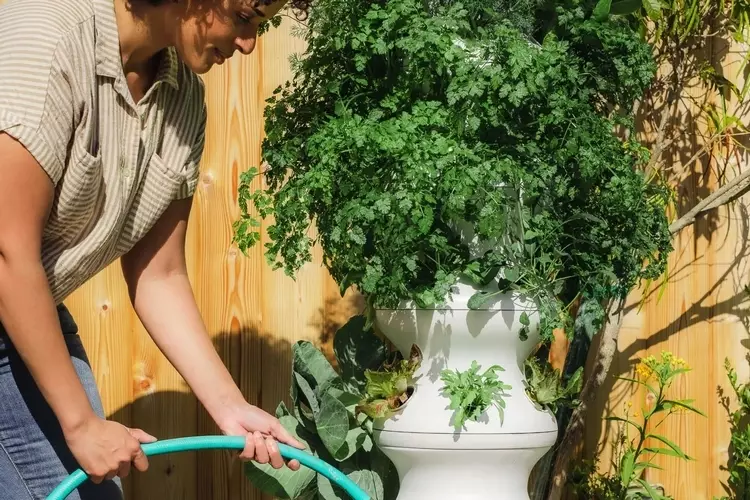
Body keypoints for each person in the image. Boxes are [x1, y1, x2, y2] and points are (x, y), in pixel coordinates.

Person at [0, 0, 310, 497]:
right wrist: (80, 425)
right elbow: (7, 253)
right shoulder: (50, 41)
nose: (250, 44)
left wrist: (229, 406)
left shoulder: (182, 100)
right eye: (246, 16)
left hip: (21, 321)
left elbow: (159, 274)